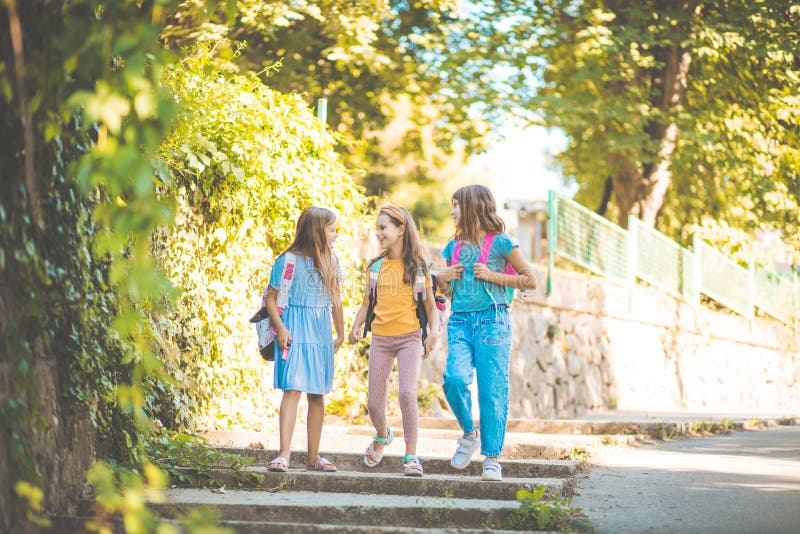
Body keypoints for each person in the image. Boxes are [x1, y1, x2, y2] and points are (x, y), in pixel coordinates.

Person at [435, 185, 537, 481]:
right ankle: (469, 433)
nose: (452, 211)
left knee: (492, 392)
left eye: (456, 205)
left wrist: (493, 276)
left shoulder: (503, 243)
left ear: (472, 207)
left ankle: (492, 458)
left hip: (494, 321)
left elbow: (530, 280)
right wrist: (444, 279)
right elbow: (449, 293)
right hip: (460, 322)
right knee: (454, 379)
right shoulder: (451, 248)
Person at [349, 205, 440, 477]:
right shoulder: (376, 267)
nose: (378, 233)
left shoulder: (419, 268)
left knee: (407, 394)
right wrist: (356, 325)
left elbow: (431, 308)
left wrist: (433, 332)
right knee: (374, 403)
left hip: (410, 338)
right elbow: (367, 302)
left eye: (383, 228)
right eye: (377, 228)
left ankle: (411, 456)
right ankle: (382, 434)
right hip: (380, 339)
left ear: (401, 229)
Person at [265, 206, 345, 473]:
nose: (335, 234)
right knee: (293, 389)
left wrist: (341, 332)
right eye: (331, 229)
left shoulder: (332, 262)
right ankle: (284, 454)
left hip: (320, 332)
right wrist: (280, 328)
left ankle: (314, 458)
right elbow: (271, 298)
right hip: (294, 330)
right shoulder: (288, 261)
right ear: (316, 231)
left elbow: (335, 301)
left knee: (317, 395)